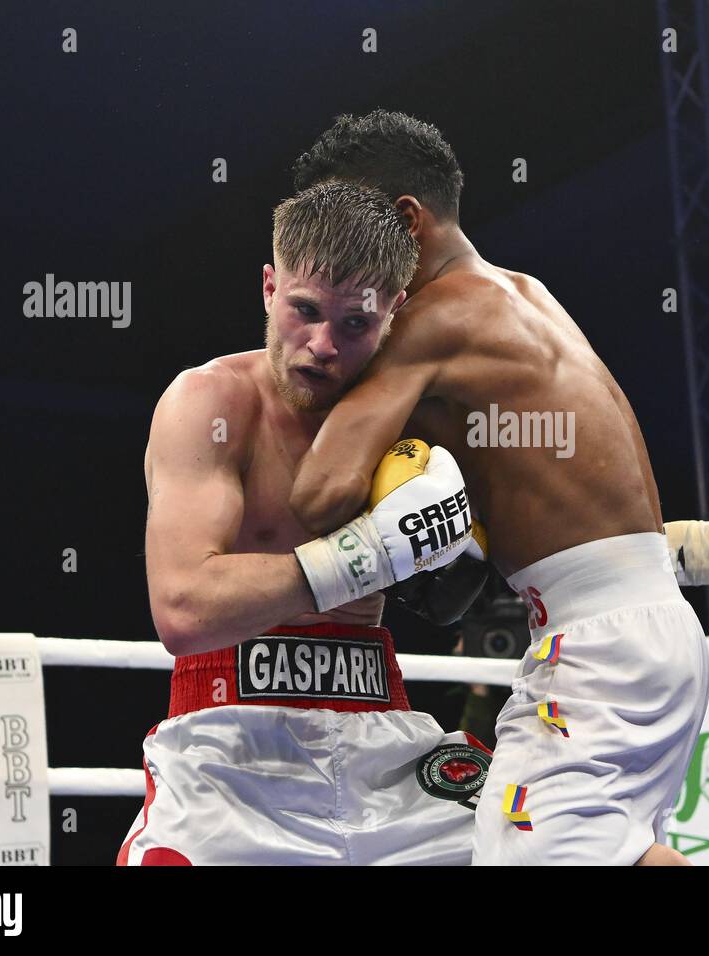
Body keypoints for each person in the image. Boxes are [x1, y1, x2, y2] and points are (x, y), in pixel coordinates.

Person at [289, 111, 709, 865]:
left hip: (601, 649)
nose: (334, 262)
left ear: (406, 220)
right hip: (637, 631)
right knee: (568, 848)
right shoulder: (525, 295)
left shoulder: (430, 322)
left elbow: (317, 492)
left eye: (346, 231)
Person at [117, 180, 489, 865]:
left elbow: (531, 565)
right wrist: (372, 552)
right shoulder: (210, 404)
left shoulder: (417, 423)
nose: (322, 345)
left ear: (393, 311)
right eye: (305, 310)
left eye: (355, 325)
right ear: (268, 287)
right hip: (232, 745)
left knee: (563, 838)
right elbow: (182, 610)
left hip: (383, 735)